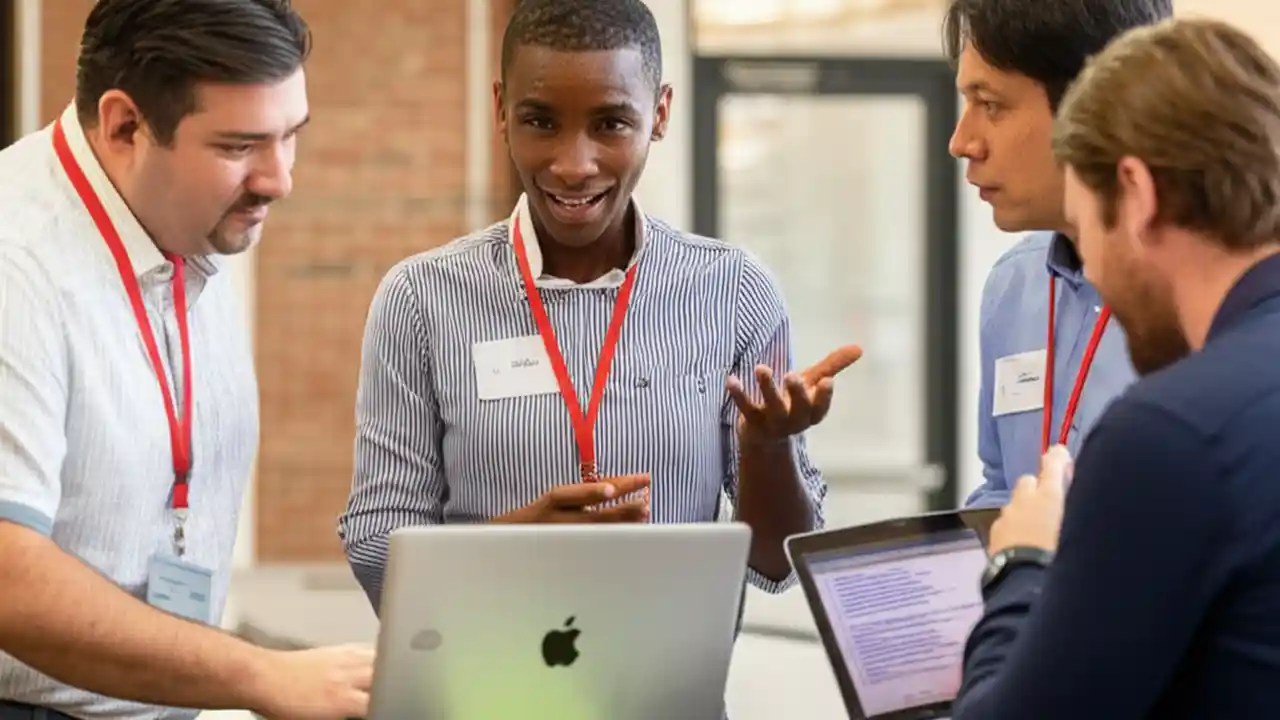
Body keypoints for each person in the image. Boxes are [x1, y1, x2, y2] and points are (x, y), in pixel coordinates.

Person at [339, 0, 860, 609]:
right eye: (540, 122)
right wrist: (519, 544)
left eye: (610, 124)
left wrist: (766, 447)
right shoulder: (421, 300)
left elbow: (776, 562)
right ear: (501, 110)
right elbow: (377, 555)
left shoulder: (733, 291)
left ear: (659, 114)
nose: (573, 165)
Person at [0, 2, 373, 718]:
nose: (279, 180)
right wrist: (260, 677)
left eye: (290, 137)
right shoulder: (19, 264)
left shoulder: (186, 211)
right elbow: (9, 574)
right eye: (240, 146)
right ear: (124, 126)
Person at [957, 17, 1280, 718]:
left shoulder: (1169, 431)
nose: (1089, 269)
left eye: (1086, 219)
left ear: (1135, 195)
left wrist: (1021, 567)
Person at [945, 0, 1171, 507]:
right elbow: (1003, 487)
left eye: (991, 105)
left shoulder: (1207, 291)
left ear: (1094, 105)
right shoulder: (1013, 286)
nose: (962, 142)